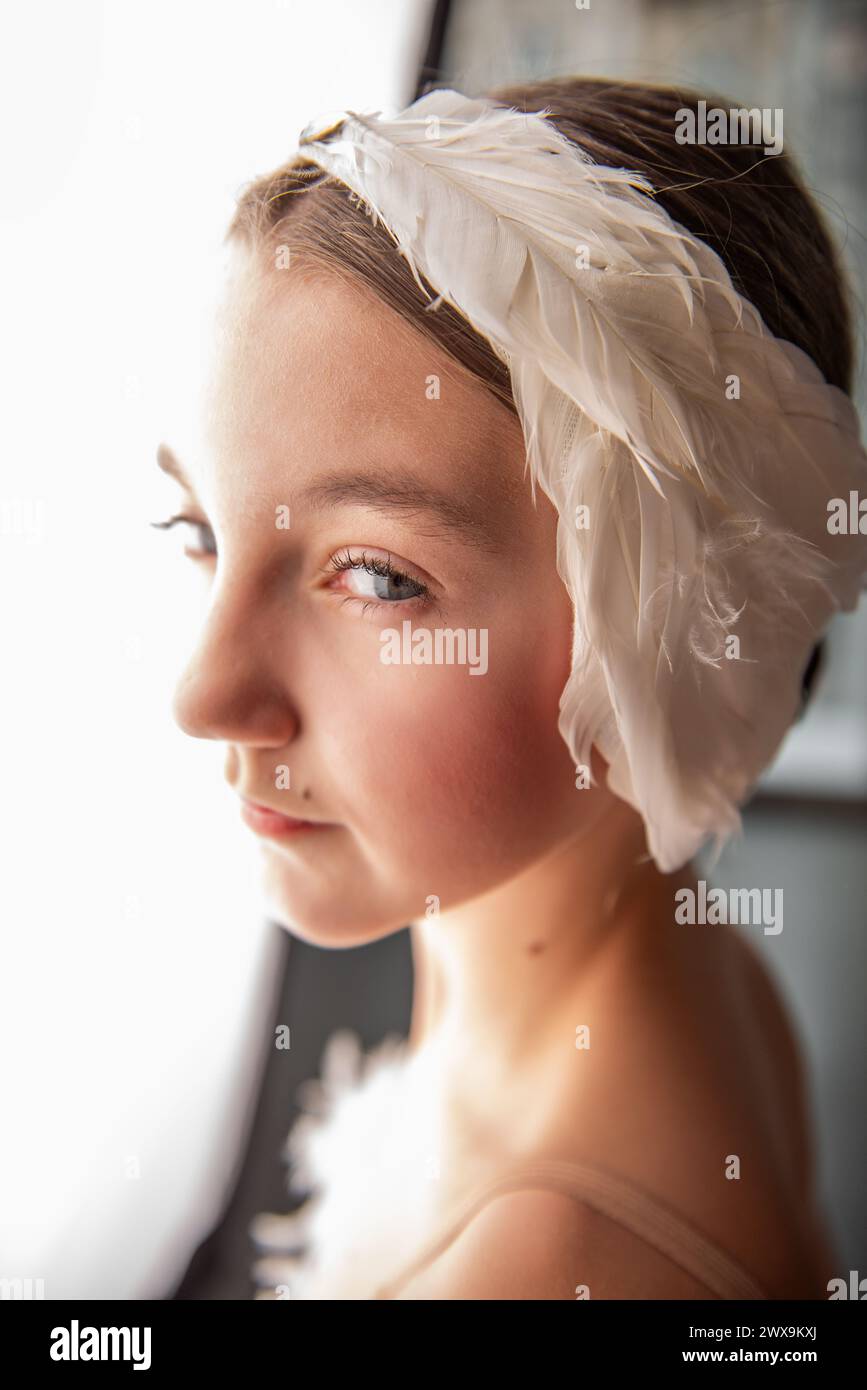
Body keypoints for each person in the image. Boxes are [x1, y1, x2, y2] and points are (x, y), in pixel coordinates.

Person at [156, 76, 867, 1299]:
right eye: (200, 530)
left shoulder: (546, 1269)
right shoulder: (641, 965)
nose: (205, 692)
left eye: (376, 578)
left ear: (666, 641)